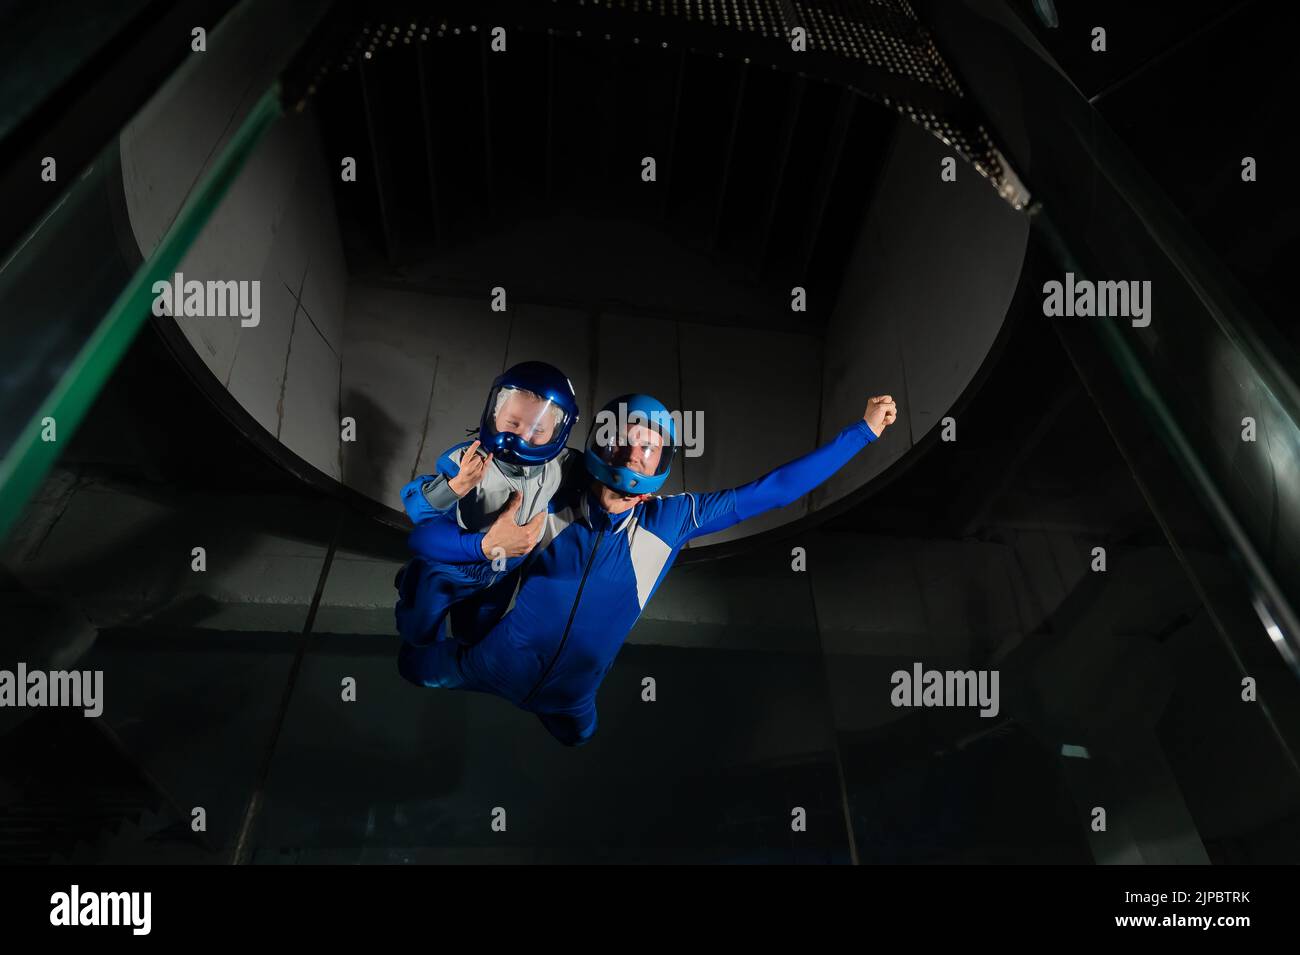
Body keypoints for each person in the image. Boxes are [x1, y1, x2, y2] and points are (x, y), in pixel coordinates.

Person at [399, 392, 899, 747]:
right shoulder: (550, 492)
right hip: (491, 663)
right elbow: (508, 448)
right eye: (626, 438)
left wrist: (862, 433)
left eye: (650, 444)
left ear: (664, 458)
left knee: (579, 738)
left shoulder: (673, 519)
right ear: (601, 444)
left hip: (572, 698)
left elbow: (773, 490)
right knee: (411, 667)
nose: (637, 450)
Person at [392, 361, 580, 648]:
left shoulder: (560, 464)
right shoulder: (468, 461)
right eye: (512, 423)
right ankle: (413, 580)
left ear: (557, 432)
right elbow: (417, 510)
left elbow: (591, 474)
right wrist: (456, 486)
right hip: (452, 564)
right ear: (495, 414)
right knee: (418, 633)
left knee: (474, 635)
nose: (521, 436)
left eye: (537, 430)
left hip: (503, 570)